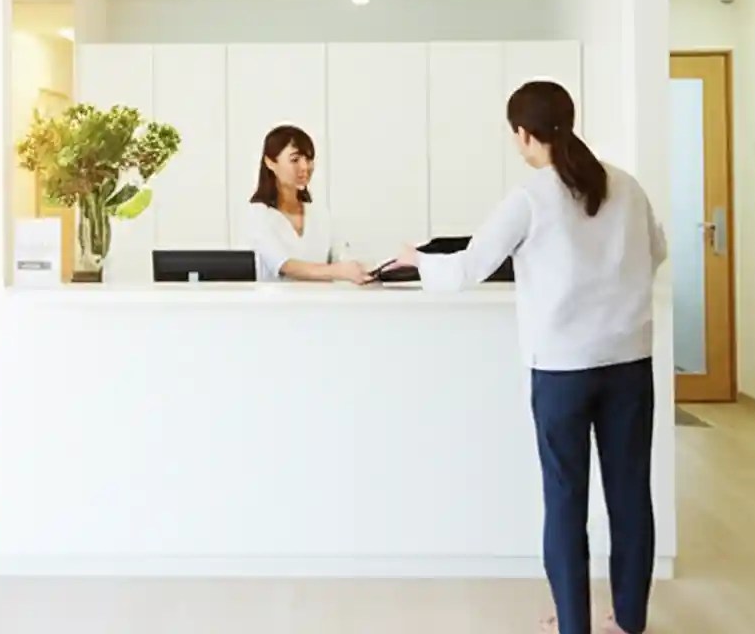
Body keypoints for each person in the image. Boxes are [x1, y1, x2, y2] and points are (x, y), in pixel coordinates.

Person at [389, 81, 667, 634]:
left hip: (562, 370)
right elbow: (656, 251)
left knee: (565, 500)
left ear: (522, 133)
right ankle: (628, 622)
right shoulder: (627, 186)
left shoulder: (530, 197)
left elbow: (469, 267)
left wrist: (415, 260)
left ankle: (573, 624)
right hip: (629, 363)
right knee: (631, 495)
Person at [245, 124, 372, 284]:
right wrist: (338, 271)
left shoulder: (320, 213)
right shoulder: (259, 214)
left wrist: (364, 269)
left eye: (308, 159)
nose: (305, 167)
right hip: (277, 300)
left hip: (322, 299)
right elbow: (284, 265)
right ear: (270, 163)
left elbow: (341, 256)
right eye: (295, 160)